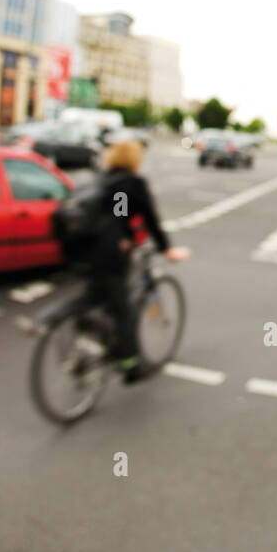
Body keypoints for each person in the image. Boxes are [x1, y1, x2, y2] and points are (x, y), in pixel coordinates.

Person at [86, 139, 190, 379]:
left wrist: (128, 232)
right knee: (124, 311)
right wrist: (166, 249)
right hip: (109, 253)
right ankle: (131, 365)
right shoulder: (130, 184)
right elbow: (136, 216)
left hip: (84, 249)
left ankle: (81, 323)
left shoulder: (103, 179)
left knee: (94, 296)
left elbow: (111, 213)